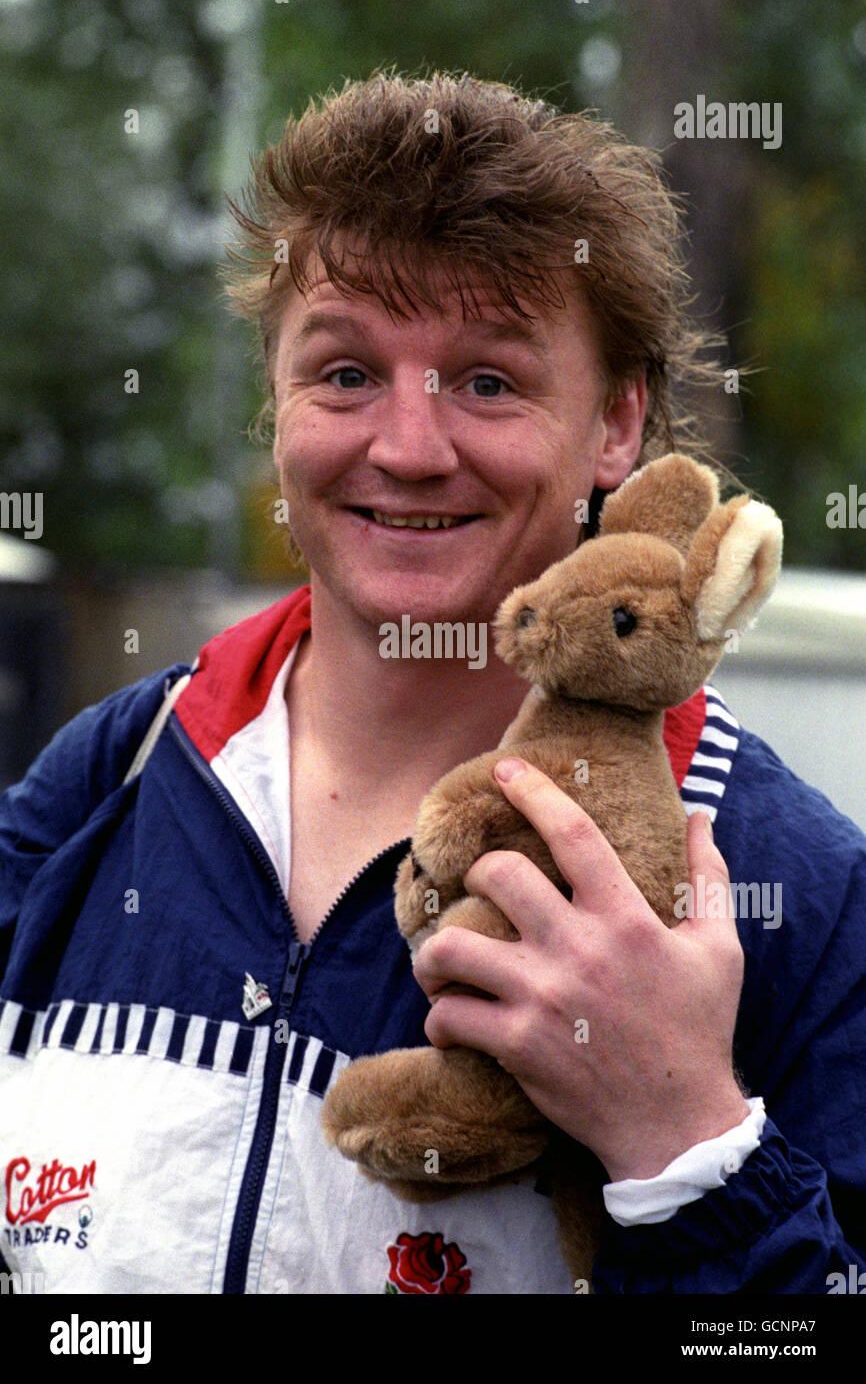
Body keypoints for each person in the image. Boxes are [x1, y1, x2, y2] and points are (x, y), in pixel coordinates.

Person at [1, 71, 864, 1296]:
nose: (406, 450)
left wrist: (685, 1147)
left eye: (487, 380)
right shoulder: (108, 780)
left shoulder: (785, 881)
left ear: (615, 427)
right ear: (277, 403)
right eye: (346, 373)